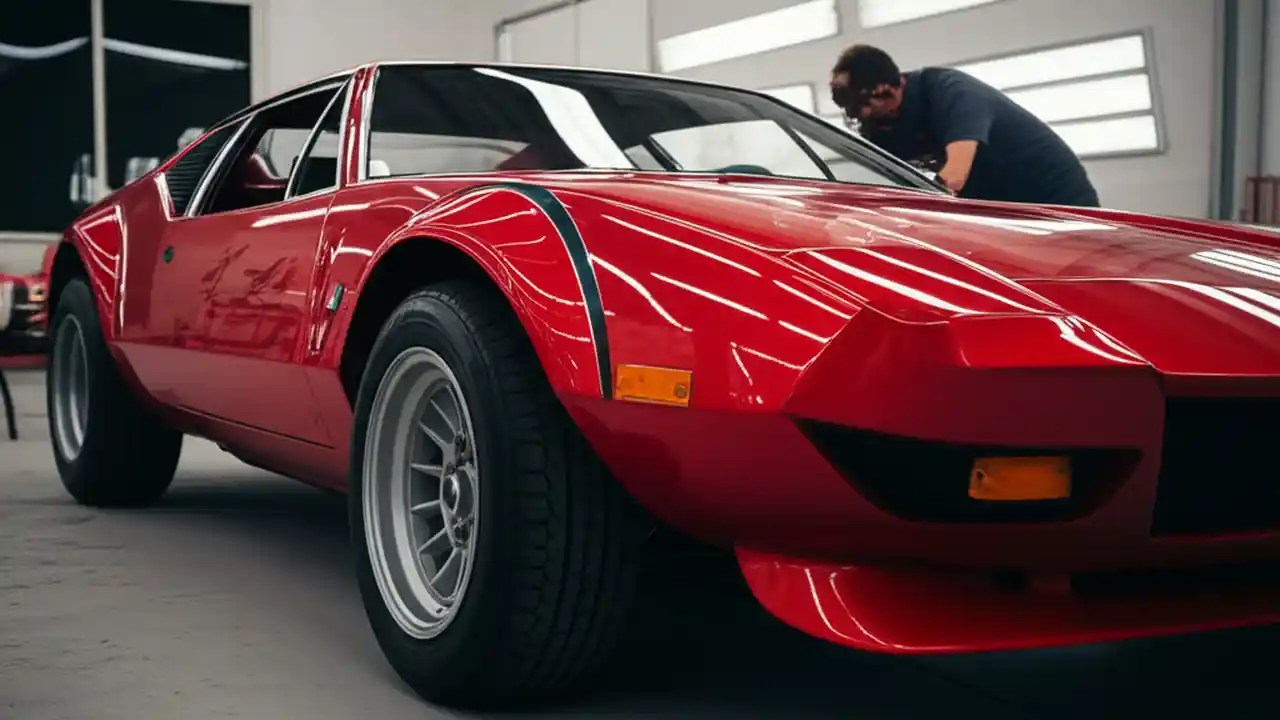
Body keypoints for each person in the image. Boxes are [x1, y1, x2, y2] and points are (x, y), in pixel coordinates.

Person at [829, 44, 1101, 207]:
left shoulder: (952, 92)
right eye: (853, 109)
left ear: (886, 89)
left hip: (1057, 199)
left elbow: (954, 178)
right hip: (1003, 209)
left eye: (863, 105)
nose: (862, 114)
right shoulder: (885, 124)